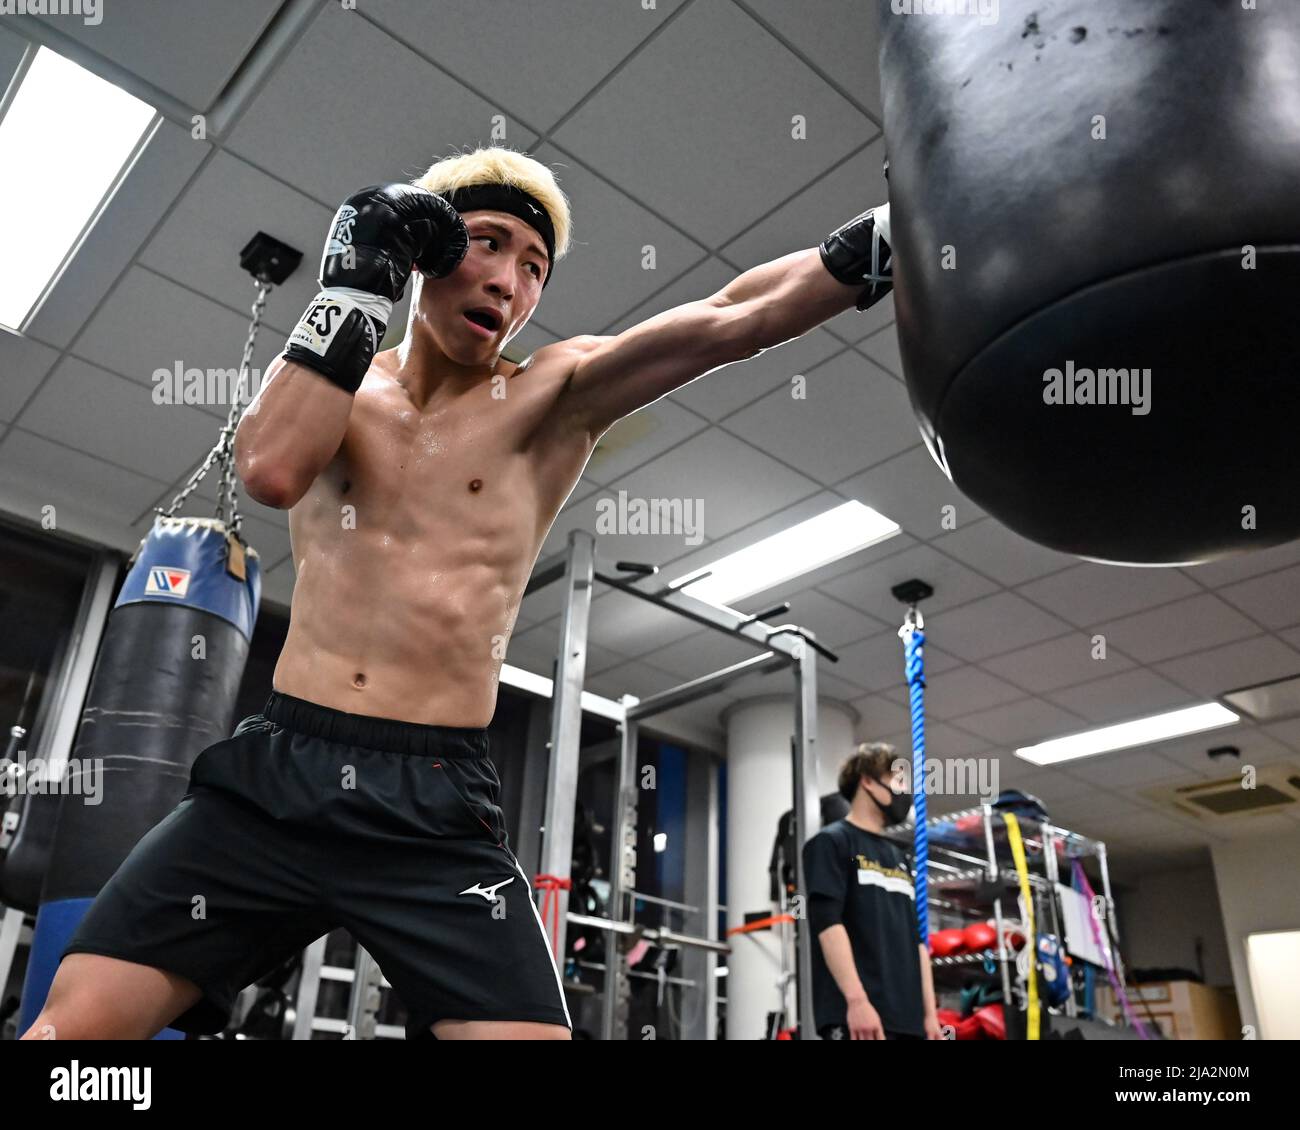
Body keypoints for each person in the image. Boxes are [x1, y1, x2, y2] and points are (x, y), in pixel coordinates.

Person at [23, 146, 894, 1041]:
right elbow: (273, 471)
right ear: (426, 253)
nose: (510, 283)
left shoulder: (553, 396)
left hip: (431, 804)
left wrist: (883, 240)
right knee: (68, 1037)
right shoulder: (337, 390)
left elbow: (731, 317)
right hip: (276, 781)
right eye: (488, 244)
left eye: (534, 267)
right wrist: (356, 283)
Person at [803, 742, 943, 1040]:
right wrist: (857, 1001)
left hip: (908, 1021)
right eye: (896, 781)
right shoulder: (831, 843)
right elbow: (827, 924)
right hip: (861, 1018)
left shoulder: (899, 857)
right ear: (867, 780)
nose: (903, 792)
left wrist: (930, 1014)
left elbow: (918, 942)